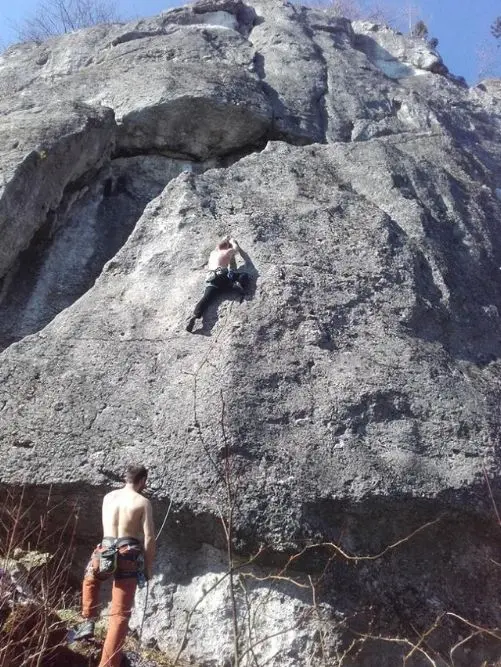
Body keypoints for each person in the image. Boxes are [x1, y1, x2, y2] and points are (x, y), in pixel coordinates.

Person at [73, 464, 156, 667]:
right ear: (143, 480)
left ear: (125, 478)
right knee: (119, 614)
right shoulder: (143, 502)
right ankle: (108, 664)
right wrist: (147, 567)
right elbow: (150, 538)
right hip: (128, 552)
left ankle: (88, 621)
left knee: (91, 578)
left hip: (106, 548)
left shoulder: (109, 497)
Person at [186, 236, 248, 333]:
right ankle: (235, 285)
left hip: (212, 279)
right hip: (221, 276)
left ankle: (195, 316)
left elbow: (219, 246)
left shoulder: (213, 253)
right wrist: (232, 241)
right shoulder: (227, 252)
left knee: (206, 298)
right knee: (244, 275)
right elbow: (236, 248)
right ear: (227, 247)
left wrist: (224, 239)